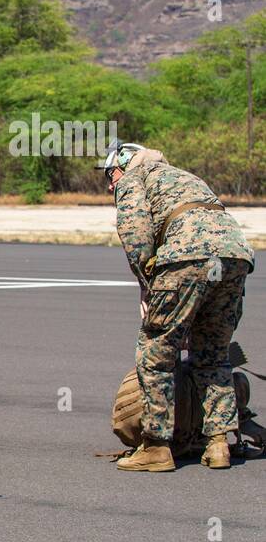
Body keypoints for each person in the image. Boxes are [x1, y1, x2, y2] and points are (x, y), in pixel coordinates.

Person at [101, 143, 254, 472]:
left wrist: (147, 287)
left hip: (187, 256)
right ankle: (217, 444)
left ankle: (156, 446)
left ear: (121, 167)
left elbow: (136, 236)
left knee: (157, 351)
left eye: (109, 175)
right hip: (235, 256)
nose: (110, 185)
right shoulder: (185, 177)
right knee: (212, 353)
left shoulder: (134, 179)